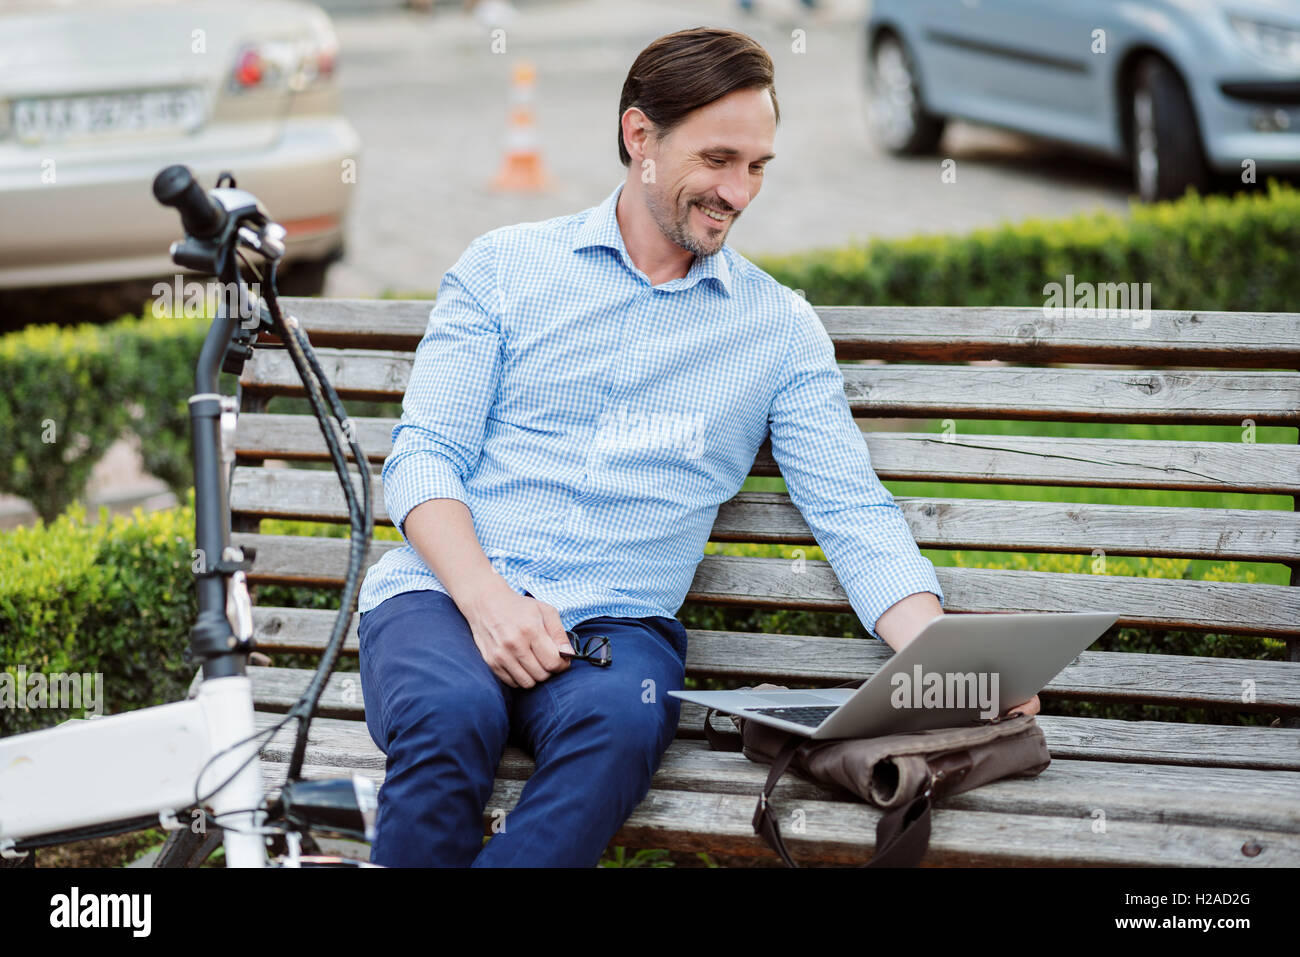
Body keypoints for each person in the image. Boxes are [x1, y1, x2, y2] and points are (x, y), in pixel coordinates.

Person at [355, 26, 1040, 868]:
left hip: (615, 631)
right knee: (452, 714)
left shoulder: (778, 329)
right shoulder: (505, 269)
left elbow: (850, 509)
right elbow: (424, 456)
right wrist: (487, 599)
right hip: (445, 598)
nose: (739, 191)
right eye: (719, 159)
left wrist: (952, 663)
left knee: (619, 729)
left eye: (757, 166)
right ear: (639, 137)